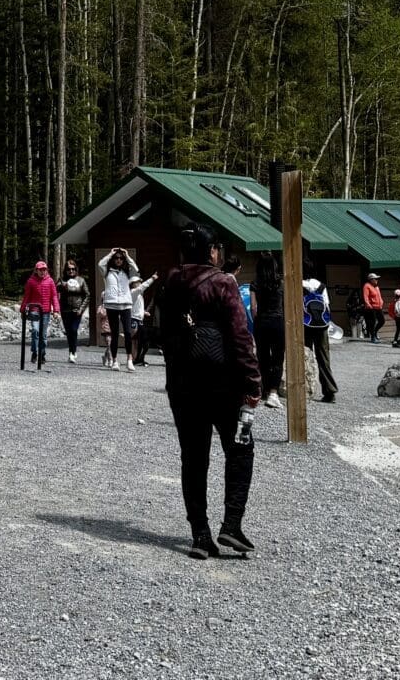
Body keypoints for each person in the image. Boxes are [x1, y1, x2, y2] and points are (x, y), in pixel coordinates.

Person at [158, 225, 261, 559]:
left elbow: (163, 334)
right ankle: (231, 525)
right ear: (210, 251)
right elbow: (239, 335)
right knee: (240, 449)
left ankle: (200, 535)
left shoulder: (169, 281)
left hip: (182, 383)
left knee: (194, 457)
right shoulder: (223, 282)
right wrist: (253, 382)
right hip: (222, 381)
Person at [251, 254, 286, 409]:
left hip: (261, 322)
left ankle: (264, 389)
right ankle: (273, 392)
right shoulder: (281, 283)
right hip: (278, 321)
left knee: (263, 356)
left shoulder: (255, 284)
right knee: (278, 358)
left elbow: (253, 308)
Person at [97, 247, 138, 370]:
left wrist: (128, 255)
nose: (118, 260)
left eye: (121, 258)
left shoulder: (127, 272)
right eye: (116, 258)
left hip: (125, 304)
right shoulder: (107, 272)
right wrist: (110, 254)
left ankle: (129, 359)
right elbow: (100, 264)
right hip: (112, 305)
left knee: (127, 332)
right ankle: (114, 361)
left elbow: (136, 270)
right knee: (114, 333)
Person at [301, 277, 338, 402]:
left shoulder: (299, 285)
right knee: (323, 358)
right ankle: (330, 391)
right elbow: (327, 306)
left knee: (304, 356)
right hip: (322, 326)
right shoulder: (321, 286)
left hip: (305, 325)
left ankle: (303, 389)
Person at [22, 261, 60, 370]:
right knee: (35, 330)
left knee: (43, 336)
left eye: (44, 269)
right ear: (36, 270)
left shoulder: (50, 281)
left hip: (46, 312)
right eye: (40, 270)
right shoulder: (31, 281)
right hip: (34, 310)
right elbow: (27, 297)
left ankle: (42, 353)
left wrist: (56, 310)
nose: (43, 272)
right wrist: (23, 309)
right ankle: (34, 351)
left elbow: (54, 296)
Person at [58, 260, 89, 363]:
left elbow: (87, 295)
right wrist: (63, 286)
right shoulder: (62, 280)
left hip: (77, 310)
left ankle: (73, 352)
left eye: (73, 269)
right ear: (65, 270)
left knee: (74, 330)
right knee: (68, 332)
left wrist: (81, 309)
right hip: (65, 310)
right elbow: (55, 289)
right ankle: (71, 352)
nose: (71, 271)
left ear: (76, 269)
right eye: (68, 269)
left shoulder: (81, 280)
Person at [359, 271, 386, 342]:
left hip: (378, 307)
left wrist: (382, 302)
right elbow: (366, 296)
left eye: (377, 279)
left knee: (382, 321)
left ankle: (375, 333)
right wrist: (368, 304)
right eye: (375, 279)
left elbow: (379, 296)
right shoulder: (367, 286)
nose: (377, 280)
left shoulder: (376, 287)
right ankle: (373, 337)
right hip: (372, 307)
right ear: (371, 280)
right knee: (372, 322)